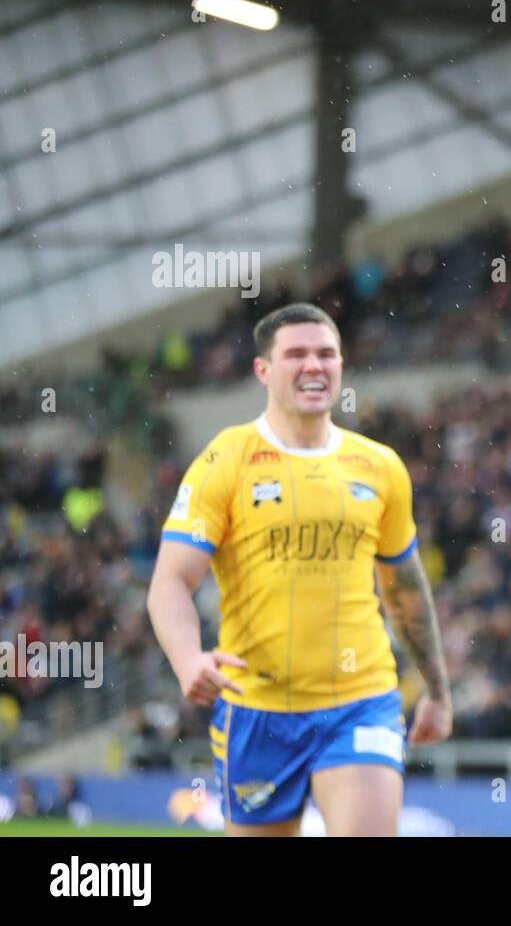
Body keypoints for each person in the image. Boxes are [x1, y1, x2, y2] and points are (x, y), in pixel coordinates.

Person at [147, 303, 452, 836]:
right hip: (255, 708)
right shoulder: (227, 459)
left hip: (360, 701)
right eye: (295, 354)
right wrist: (187, 659)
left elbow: (404, 587)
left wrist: (437, 690)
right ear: (263, 370)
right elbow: (171, 582)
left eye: (326, 354)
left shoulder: (380, 467)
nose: (314, 365)